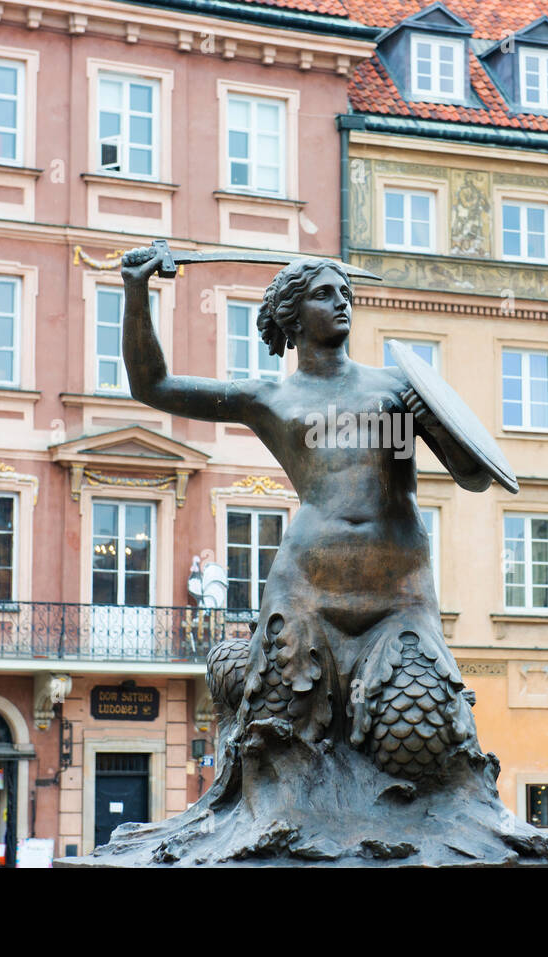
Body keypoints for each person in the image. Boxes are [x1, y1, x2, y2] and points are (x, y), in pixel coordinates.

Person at [120, 249, 490, 780]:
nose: (342, 302)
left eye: (346, 294)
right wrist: (137, 293)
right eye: (325, 293)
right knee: (276, 746)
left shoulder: (397, 388)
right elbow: (152, 386)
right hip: (305, 590)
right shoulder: (269, 397)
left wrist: (431, 416)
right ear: (291, 317)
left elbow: (475, 475)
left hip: (397, 594)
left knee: (419, 740)